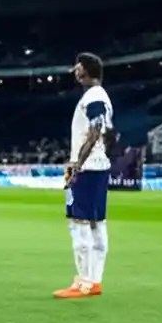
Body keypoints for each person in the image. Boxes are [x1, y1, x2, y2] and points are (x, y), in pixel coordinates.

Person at [55, 52, 114, 299]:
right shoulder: (102, 96)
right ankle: (94, 280)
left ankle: (84, 281)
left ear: (87, 69)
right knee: (96, 223)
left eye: (78, 67)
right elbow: (109, 133)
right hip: (98, 166)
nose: (75, 71)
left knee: (79, 224)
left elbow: (97, 127)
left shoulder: (93, 96)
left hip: (87, 168)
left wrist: (78, 163)